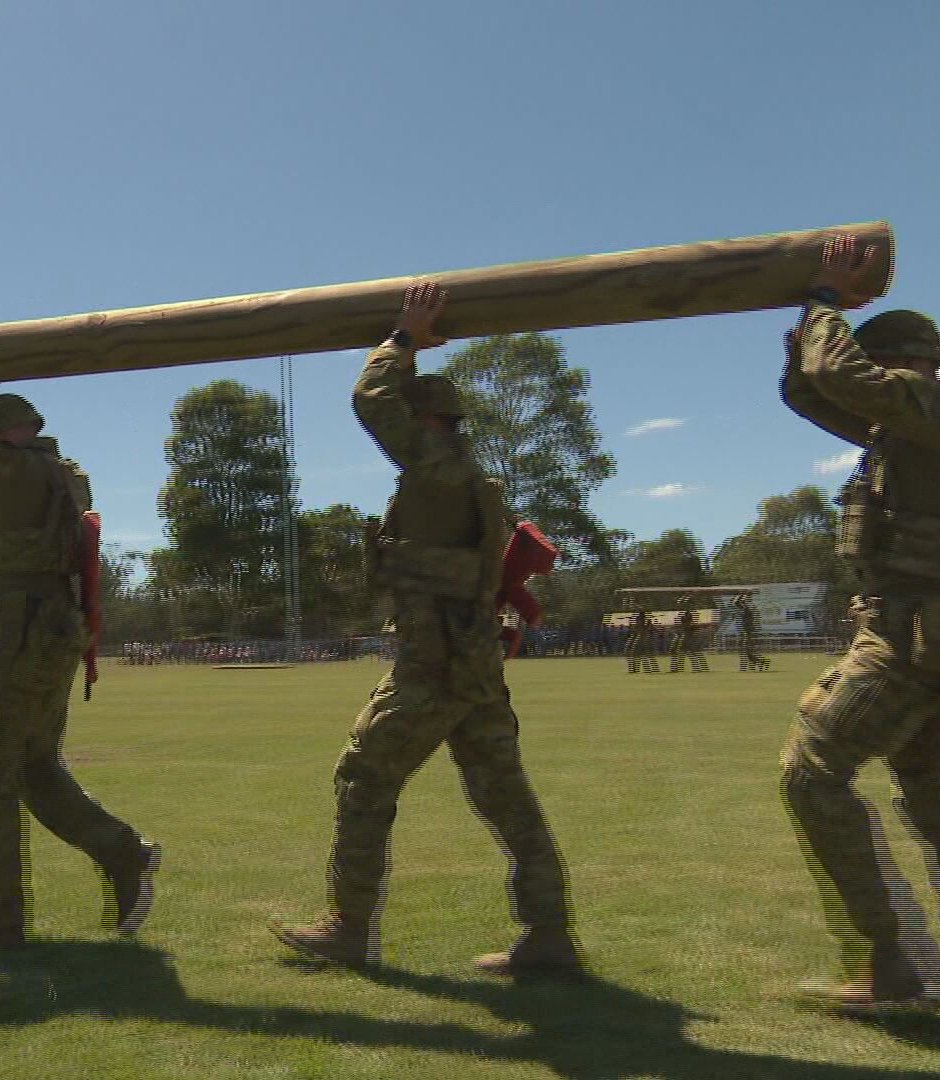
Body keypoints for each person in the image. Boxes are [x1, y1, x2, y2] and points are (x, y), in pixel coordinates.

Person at [270, 282, 583, 979]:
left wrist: (401, 340)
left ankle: (347, 928)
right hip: (470, 663)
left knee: (362, 777)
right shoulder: (464, 473)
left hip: (434, 665)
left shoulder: (436, 468)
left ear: (424, 421)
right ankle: (550, 935)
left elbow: (368, 400)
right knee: (505, 795)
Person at [778, 236, 940, 1019]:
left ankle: (885, 963)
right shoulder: (936, 429)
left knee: (811, 774)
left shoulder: (931, 414)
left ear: (897, 366)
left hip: (908, 637)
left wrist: (826, 300)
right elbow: (812, 392)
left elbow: (836, 377)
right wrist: (806, 332)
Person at [0, 332, 158, 950]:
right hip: (54, 635)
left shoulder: (10, 469)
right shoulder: (61, 474)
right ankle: (121, 851)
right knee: (35, 765)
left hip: (21, 636)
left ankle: (7, 919)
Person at [667, 606, 710, 673]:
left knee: (684, 654)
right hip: (686, 639)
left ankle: (677, 669)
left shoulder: (687, 623)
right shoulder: (688, 623)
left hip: (686, 640)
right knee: (688, 654)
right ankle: (695, 668)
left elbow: (683, 627)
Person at [734, 594, 769, 672]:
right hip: (748, 633)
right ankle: (761, 662)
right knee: (747, 651)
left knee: (747, 651)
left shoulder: (746, 609)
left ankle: (761, 662)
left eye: (743, 601)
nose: (742, 603)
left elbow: (735, 602)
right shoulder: (749, 609)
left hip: (748, 633)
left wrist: (740, 595)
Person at [625, 609, 659, 674]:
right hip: (642, 639)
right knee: (642, 655)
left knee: (637, 654)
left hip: (642, 639)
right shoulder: (643, 623)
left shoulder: (644, 623)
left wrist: (649, 625)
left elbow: (645, 631)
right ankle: (639, 669)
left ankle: (636, 669)